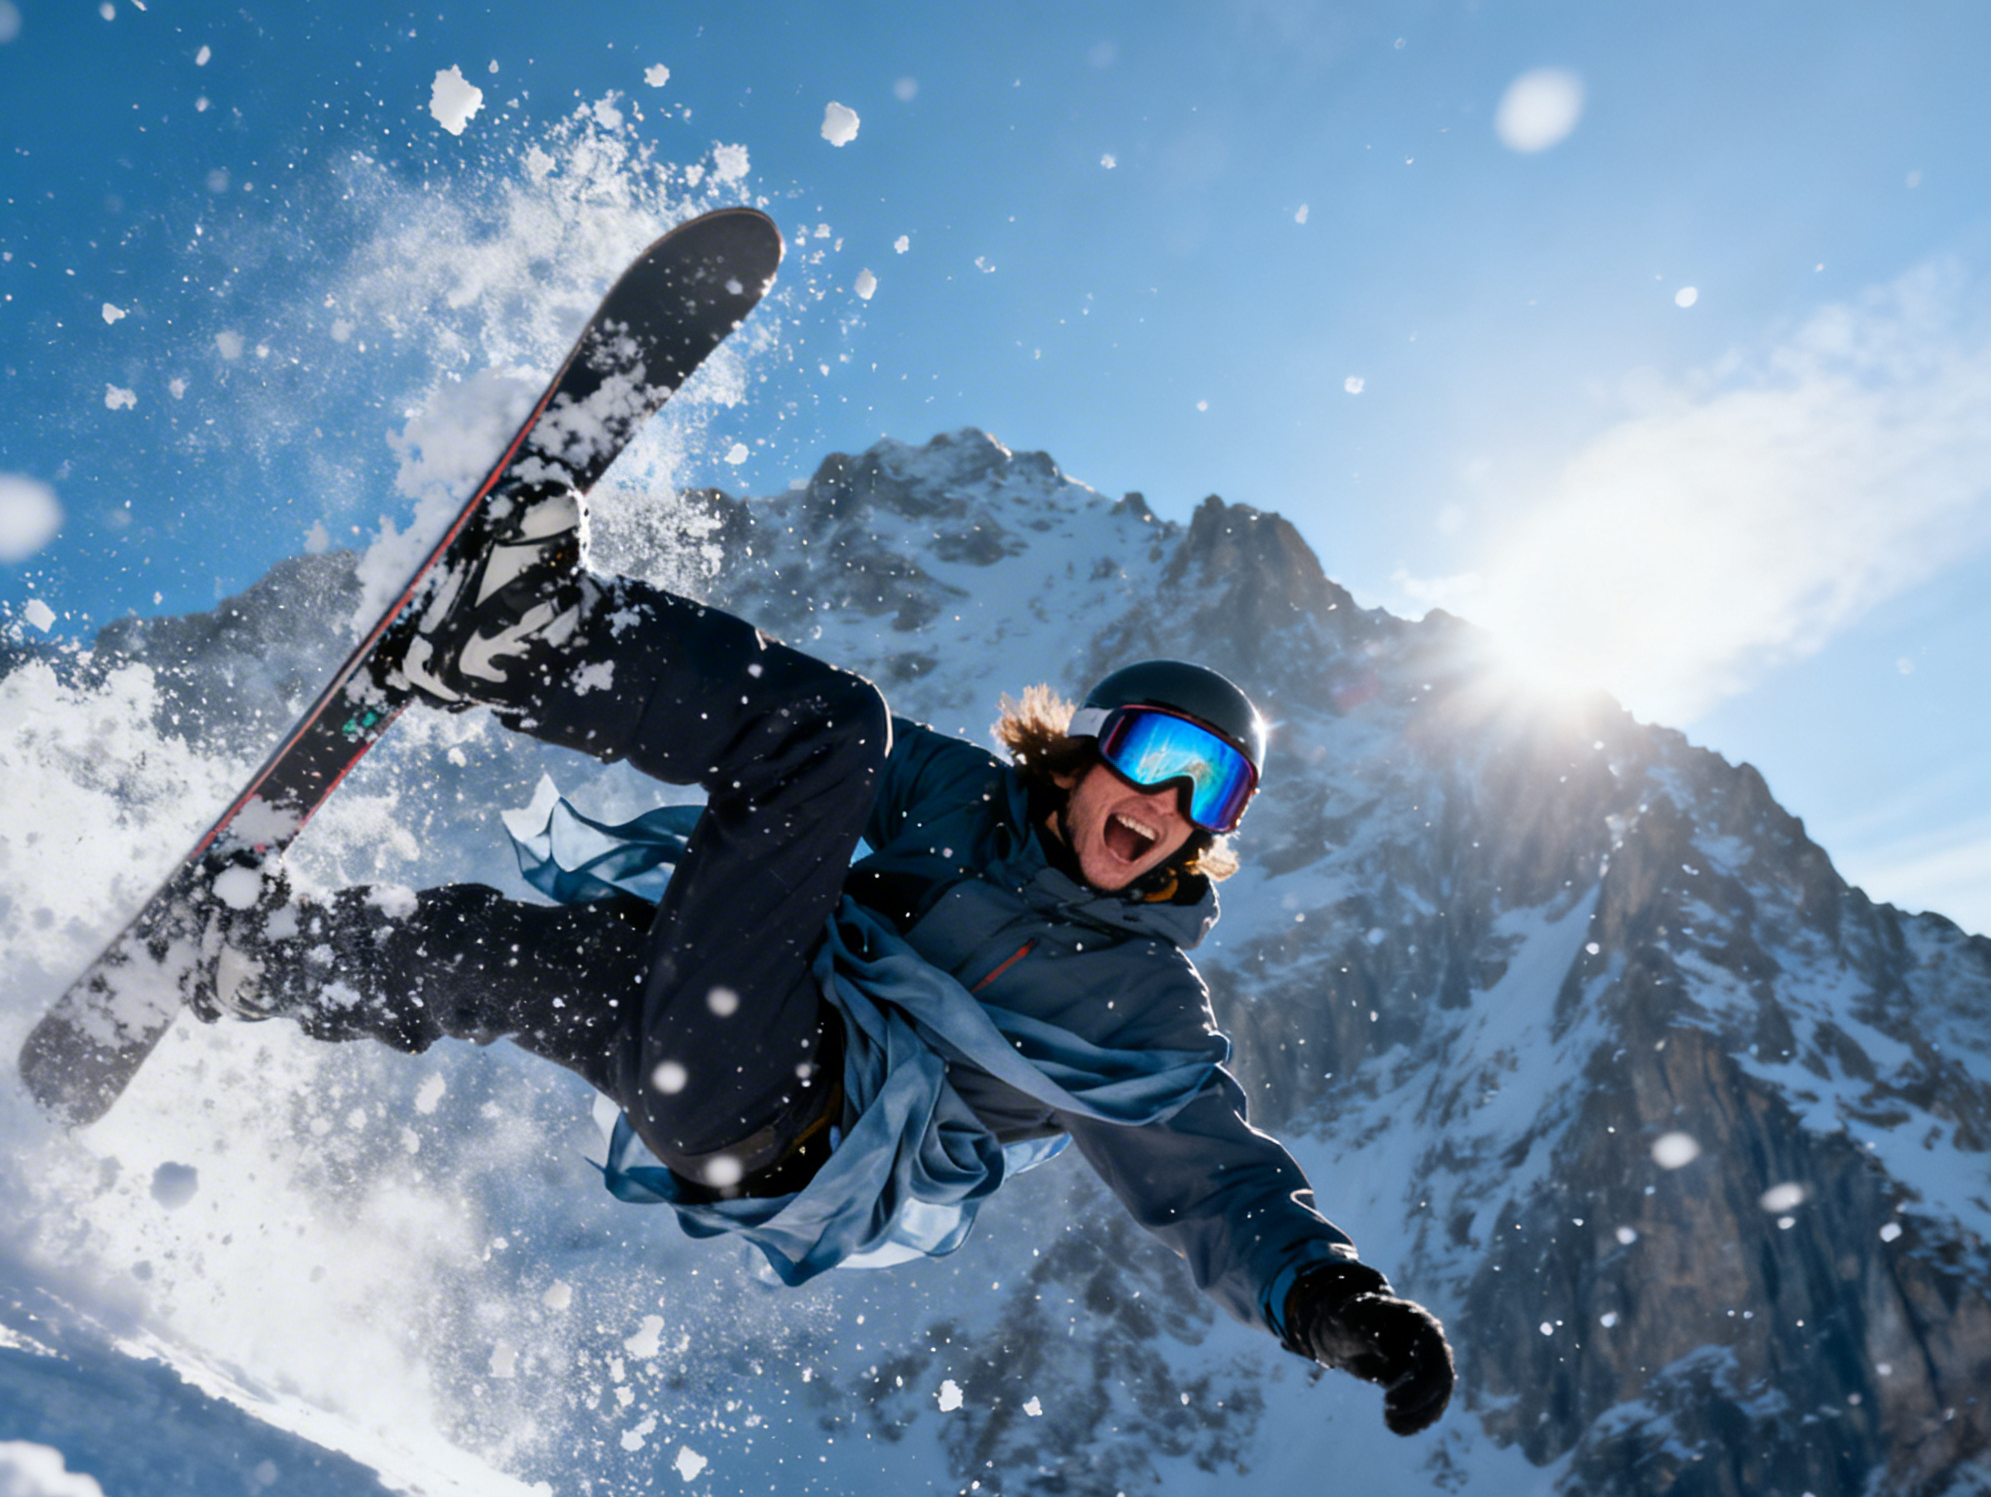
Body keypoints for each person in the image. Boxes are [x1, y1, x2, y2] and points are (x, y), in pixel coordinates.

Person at [182, 478, 1455, 1436]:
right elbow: (776, 741)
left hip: (796, 1125)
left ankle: (527, 635)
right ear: (1088, 748)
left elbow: (1218, 1190)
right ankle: (255, 956)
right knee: (517, 954)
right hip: (725, 1035)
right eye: (1155, 756)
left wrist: (1338, 1307)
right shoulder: (962, 801)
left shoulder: (1143, 1012)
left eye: (1213, 789)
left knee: (830, 729)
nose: (1169, 801)